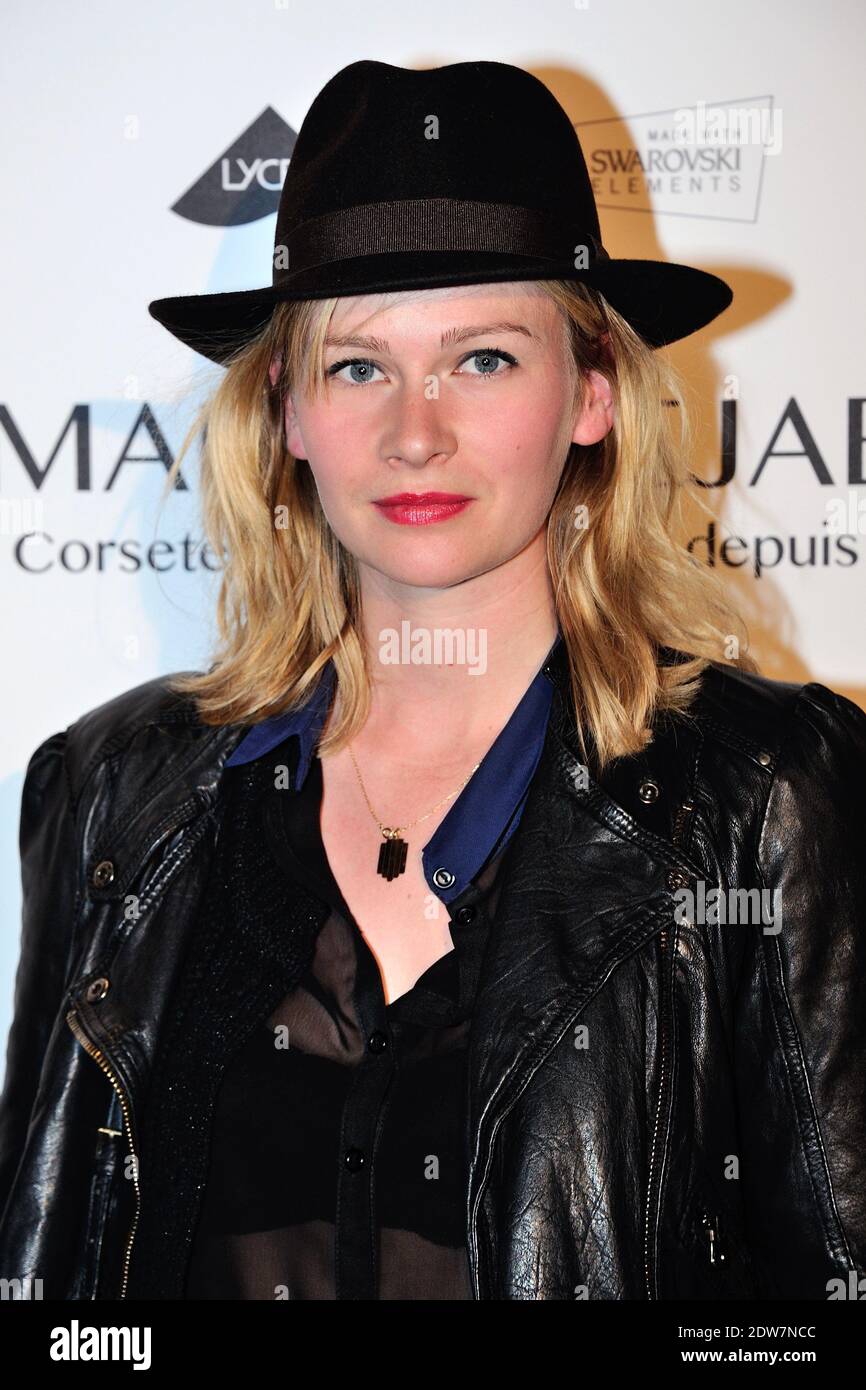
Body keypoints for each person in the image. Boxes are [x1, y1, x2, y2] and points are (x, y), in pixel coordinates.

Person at [1, 58, 864, 1302]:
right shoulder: (110, 791)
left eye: (483, 359)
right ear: (287, 413)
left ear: (593, 395)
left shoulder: (760, 797)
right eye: (358, 366)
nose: (416, 431)